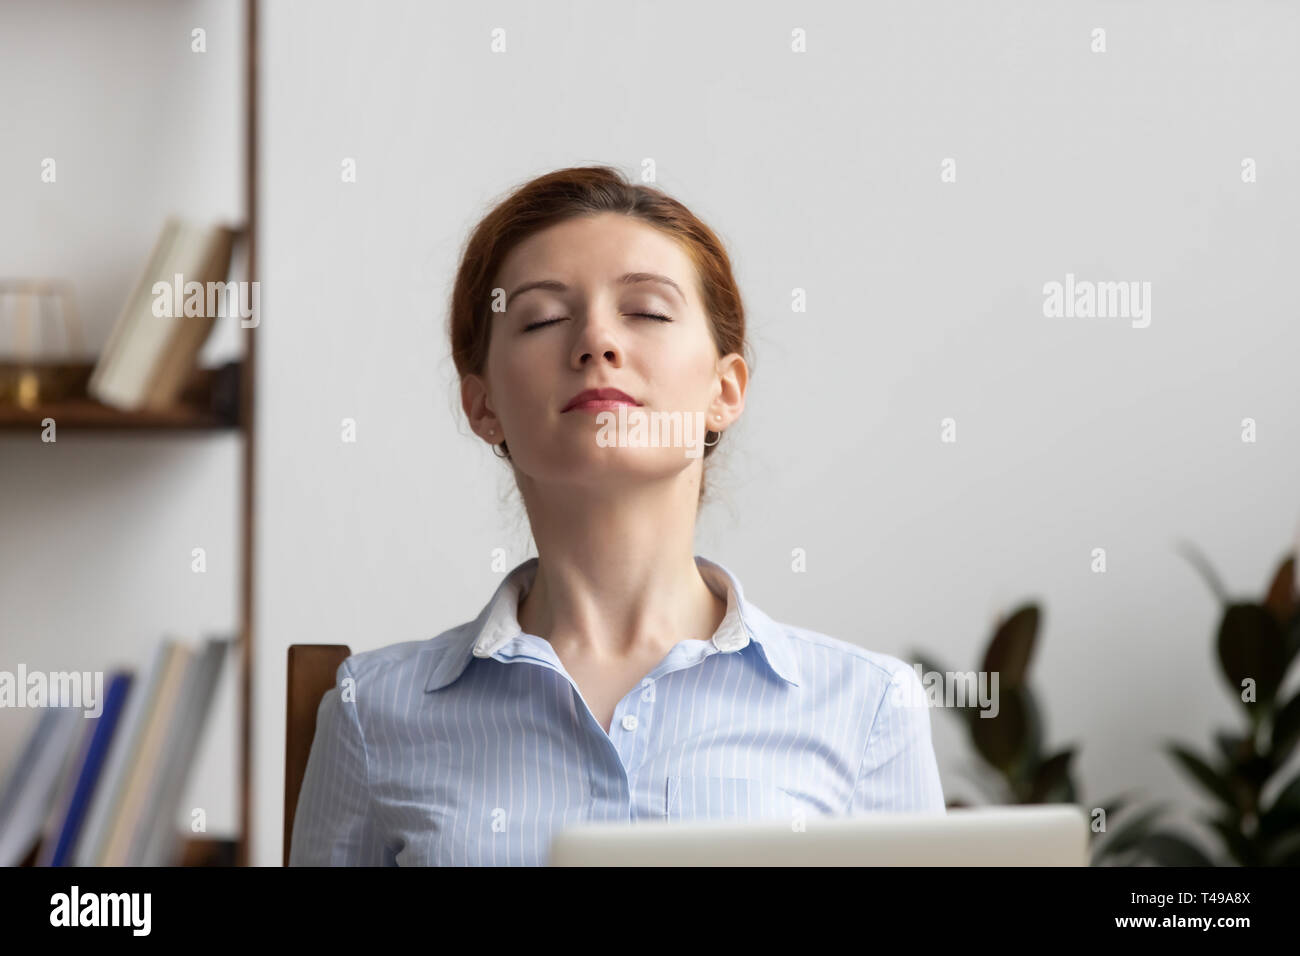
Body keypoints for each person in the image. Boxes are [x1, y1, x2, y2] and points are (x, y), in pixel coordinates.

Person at [290, 165, 944, 866]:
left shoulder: (868, 705)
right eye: (541, 318)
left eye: (648, 313)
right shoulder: (373, 712)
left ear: (725, 390)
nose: (597, 343)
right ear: (482, 406)